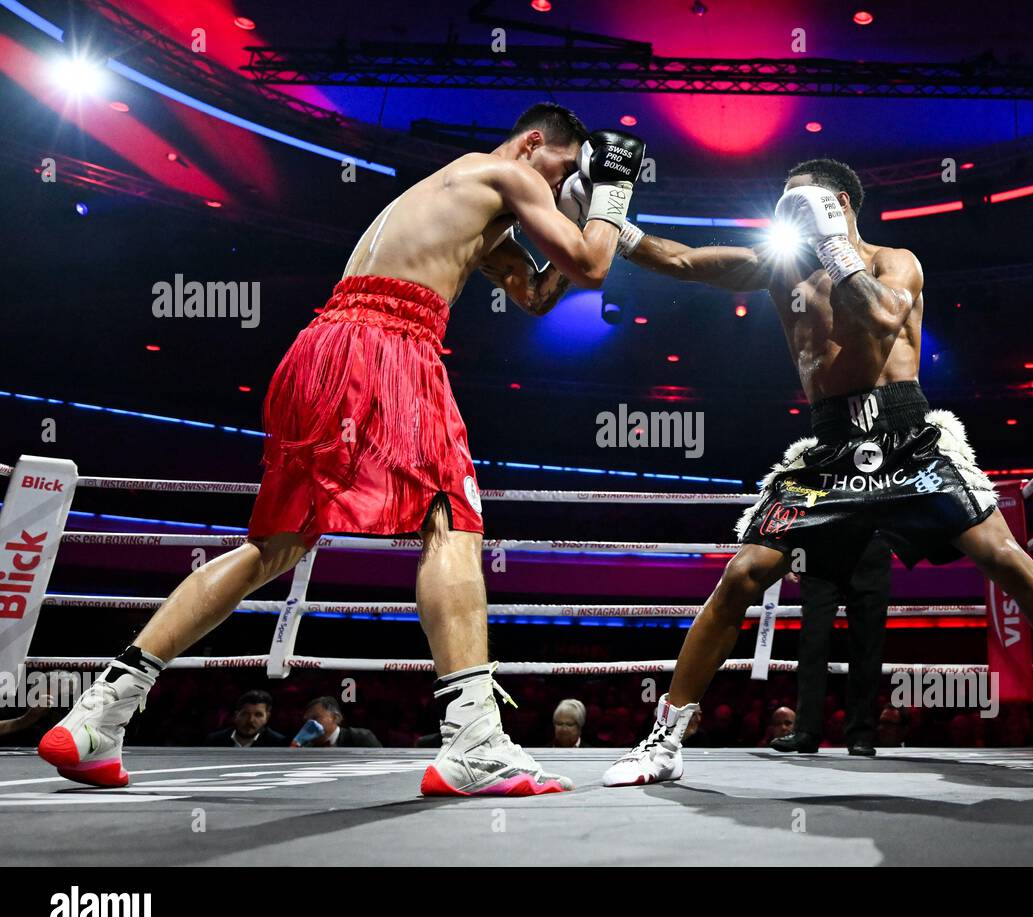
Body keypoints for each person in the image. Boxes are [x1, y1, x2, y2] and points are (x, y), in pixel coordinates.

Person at [39, 103, 647, 797]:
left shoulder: (458, 191)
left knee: (275, 544)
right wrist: (612, 193)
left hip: (321, 348)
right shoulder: (508, 174)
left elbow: (538, 293)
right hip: (387, 348)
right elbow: (593, 263)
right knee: (452, 519)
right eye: (564, 168)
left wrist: (584, 213)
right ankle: (474, 741)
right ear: (535, 144)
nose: (563, 182)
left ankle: (98, 715)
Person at [601, 157, 1033, 786]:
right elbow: (679, 260)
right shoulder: (778, 269)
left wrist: (836, 247)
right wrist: (609, 214)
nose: (787, 215)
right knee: (743, 574)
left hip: (909, 439)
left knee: (1007, 560)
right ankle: (663, 740)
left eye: (800, 203)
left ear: (839, 204)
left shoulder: (896, 260)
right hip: (829, 451)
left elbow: (883, 317)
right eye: (782, 205)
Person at [772, 531, 891, 755]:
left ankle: (861, 734)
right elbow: (797, 501)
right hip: (818, 547)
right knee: (812, 641)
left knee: (868, 644)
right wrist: (793, 557)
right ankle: (805, 731)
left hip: (870, 546)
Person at [203, 689, 288, 747]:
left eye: (258, 715)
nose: (251, 720)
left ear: (267, 717)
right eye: (245, 714)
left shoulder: (278, 743)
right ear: (236, 715)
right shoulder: (214, 740)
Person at [291, 697, 382, 748]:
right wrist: (296, 744)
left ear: (336, 718)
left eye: (315, 718)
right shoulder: (305, 747)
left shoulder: (360, 737)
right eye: (306, 720)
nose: (309, 724)